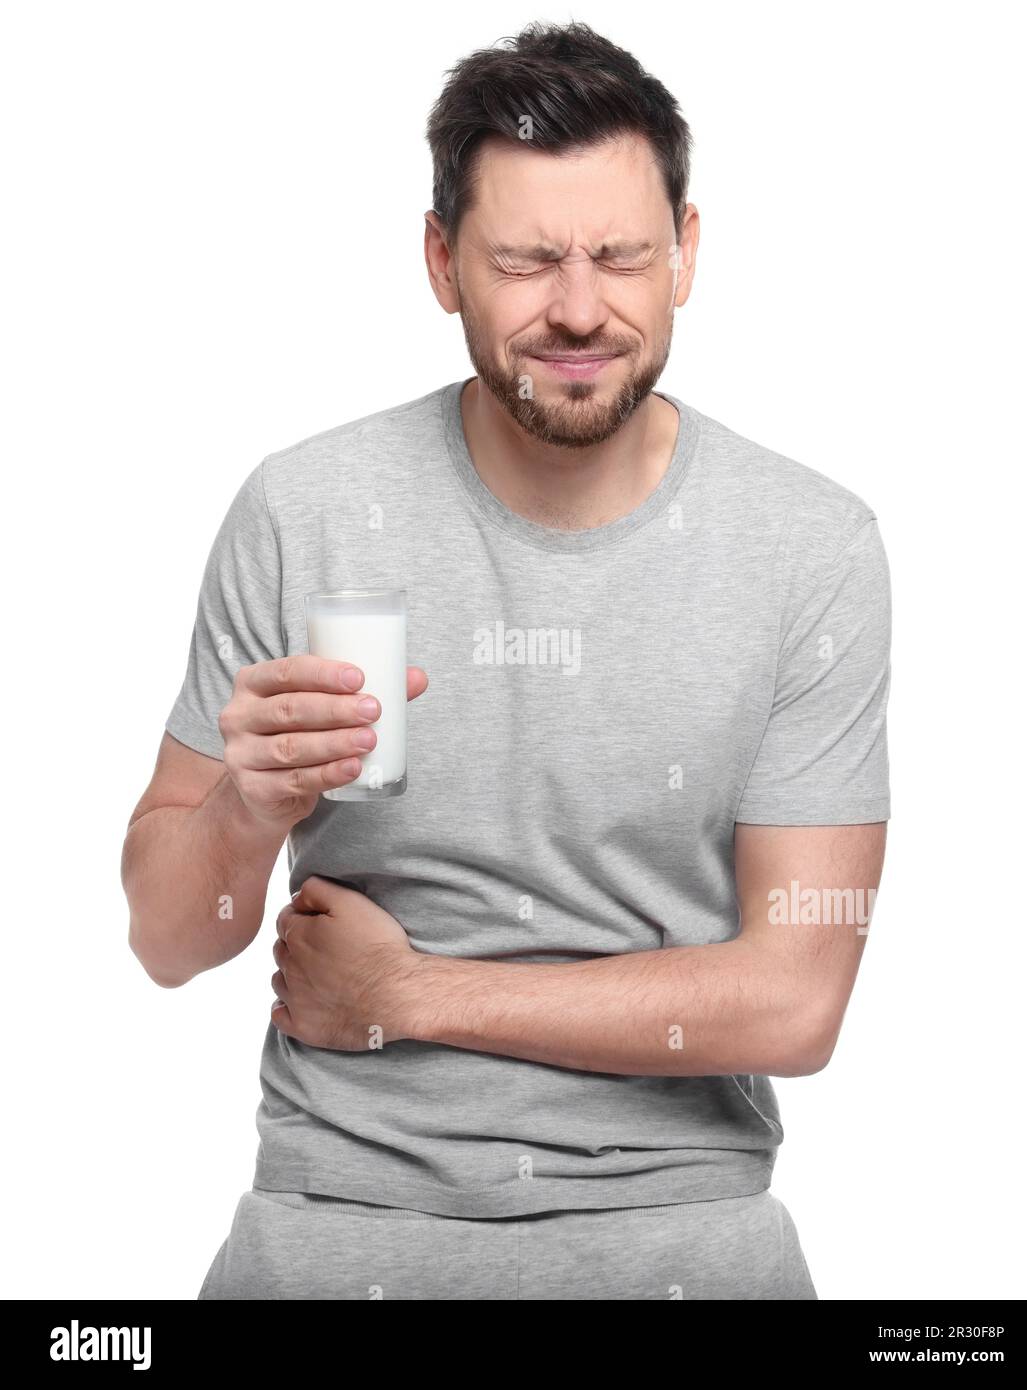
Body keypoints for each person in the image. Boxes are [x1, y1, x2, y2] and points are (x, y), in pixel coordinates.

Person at [121, 20, 890, 1301]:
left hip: (683, 1226)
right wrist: (244, 811)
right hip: (338, 1214)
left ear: (687, 253)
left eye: (622, 257)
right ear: (441, 262)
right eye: (527, 259)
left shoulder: (812, 548)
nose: (579, 308)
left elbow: (797, 1002)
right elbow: (166, 938)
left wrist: (412, 992)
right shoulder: (304, 508)